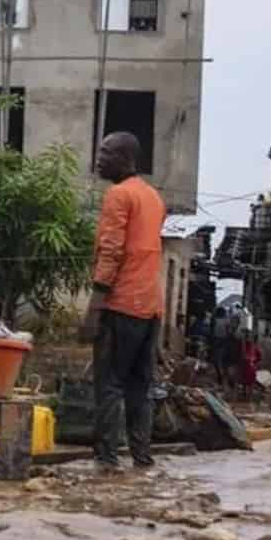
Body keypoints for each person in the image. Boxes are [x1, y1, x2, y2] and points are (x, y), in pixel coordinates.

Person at [81, 132, 166, 472]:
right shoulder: (153, 197)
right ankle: (143, 459)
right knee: (140, 386)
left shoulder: (119, 195)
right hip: (150, 307)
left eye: (106, 152)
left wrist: (94, 306)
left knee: (110, 384)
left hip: (120, 303)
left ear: (126, 159)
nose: (99, 158)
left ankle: (106, 461)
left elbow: (112, 250)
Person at [238, 328, 262, 402]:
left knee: (247, 384)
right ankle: (247, 397)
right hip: (247, 366)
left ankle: (248, 398)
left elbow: (259, 357)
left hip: (248, 367)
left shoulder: (252, 346)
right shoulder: (251, 346)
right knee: (247, 384)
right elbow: (259, 357)